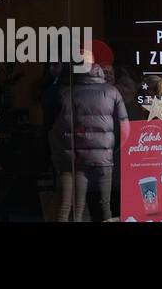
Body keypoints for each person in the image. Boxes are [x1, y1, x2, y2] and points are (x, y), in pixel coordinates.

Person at [50, 41, 128, 222]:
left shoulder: (66, 92)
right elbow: (124, 128)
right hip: (101, 160)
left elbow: (58, 129)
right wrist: (110, 149)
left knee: (70, 206)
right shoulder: (112, 92)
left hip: (73, 159)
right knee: (100, 207)